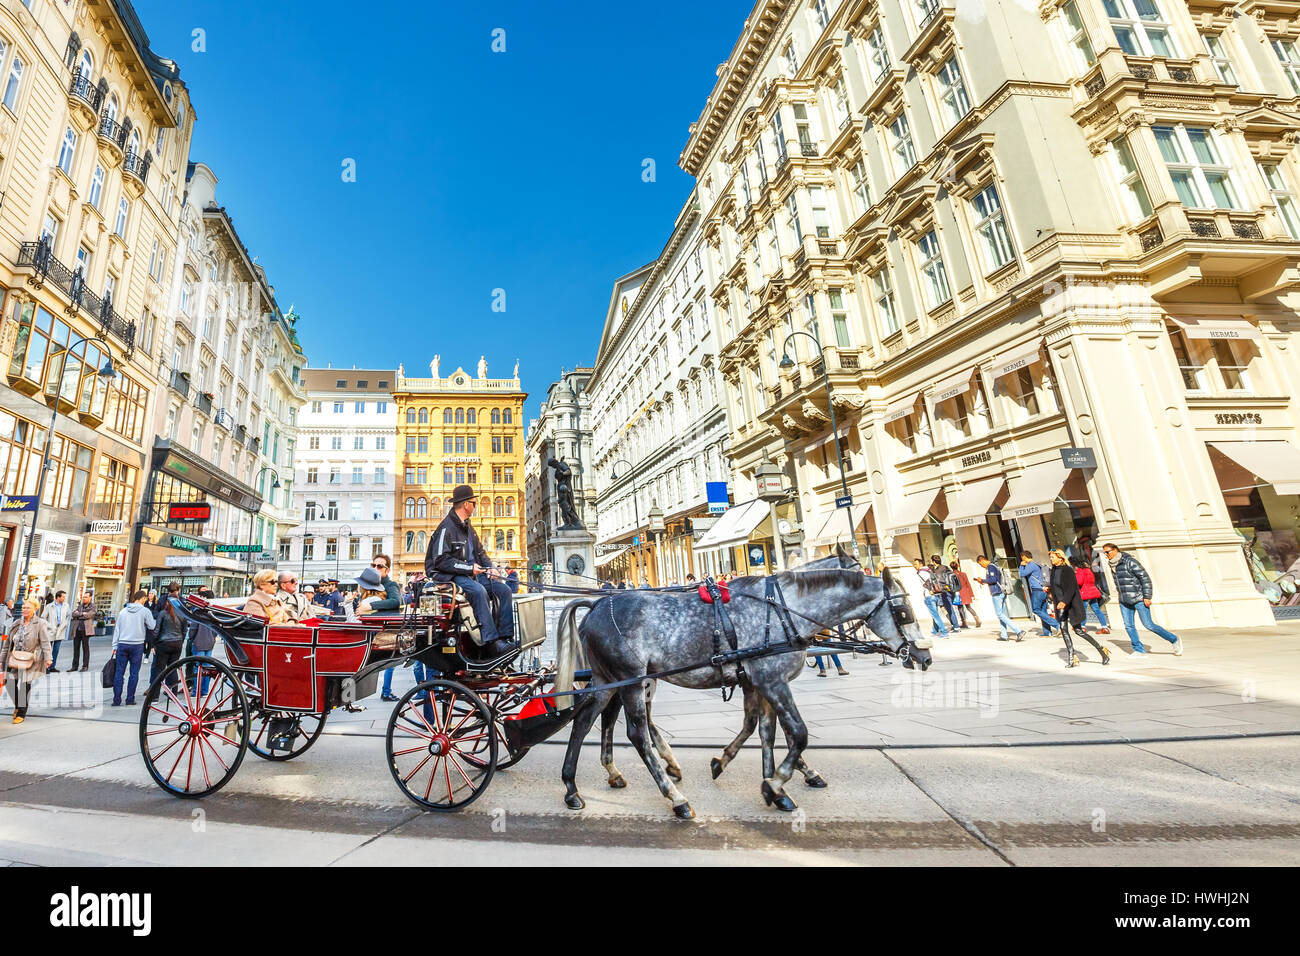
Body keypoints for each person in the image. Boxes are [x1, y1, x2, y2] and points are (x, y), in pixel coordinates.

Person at [425, 484, 515, 656]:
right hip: (450, 576)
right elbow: (440, 560)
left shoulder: (468, 528)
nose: (475, 506)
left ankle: (505, 638)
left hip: (469, 576)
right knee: (478, 591)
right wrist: (469, 568)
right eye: (474, 502)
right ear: (466, 504)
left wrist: (490, 568)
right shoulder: (446, 528)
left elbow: (480, 553)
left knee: (503, 590)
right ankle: (491, 643)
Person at [1104, 543, 1182, 656]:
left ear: (1116, 550)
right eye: (1105, 553)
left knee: (1148, 624)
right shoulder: (1112, 564)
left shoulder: (1129, 561)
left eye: (1108, 552)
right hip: (1124, 600)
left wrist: (1147, 596)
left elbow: (1145, 578)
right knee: (1129, 626)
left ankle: (1174, 639)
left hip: (1139, 598)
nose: (1106, 555)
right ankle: (1139, 650)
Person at [1048, 549, 1110, 667]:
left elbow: (1072, 588)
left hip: (1070, 605)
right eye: (1050, 557)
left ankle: (1102, 649)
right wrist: (1050, 591)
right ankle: (1072, 657)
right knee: (1064, 630)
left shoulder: (1067, 570)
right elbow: (1056, 586)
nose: (1051, 559)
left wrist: (1064, 601)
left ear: (1060, 558)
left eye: (1053, 557)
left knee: (1079, 631)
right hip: (1060, 606)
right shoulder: (1054, 570)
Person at [1, 599, 53, 723]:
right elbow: (7, 644)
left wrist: (48, 658)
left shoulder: (40, 623)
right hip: (13, 658)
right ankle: (18, 705)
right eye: (23, 607)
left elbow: (45, 642)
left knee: (25, 685)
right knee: (9, 683)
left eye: (27, 608)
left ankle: (21, 713)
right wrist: (1, 660)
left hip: (30, 660)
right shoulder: (16, 623)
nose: (24, 610)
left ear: (34, 609)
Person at [112, 590, 155, 707]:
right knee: (134, 673)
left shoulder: (123, 611)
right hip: (137, 644)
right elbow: (152, 626)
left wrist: (114, 646)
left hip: (122, 643)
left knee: (119, 672)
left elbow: (117, 630)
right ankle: (130, 699)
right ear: (142, 599)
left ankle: (116, 699)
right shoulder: (145, 611)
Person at [148, 582, 187, 692]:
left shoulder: (163, 611)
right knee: (173, 668)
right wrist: (181, 640)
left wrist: (153, 644)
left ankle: (154, 693)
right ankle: (173, 692)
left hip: (163, 641)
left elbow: (156, 630)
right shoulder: (182, 610)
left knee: (159, 669)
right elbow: (185, 630)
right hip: (177, 641)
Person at [975, 555, 1024, 642]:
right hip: (1001, 592)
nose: (981, 566)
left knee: (1000, 614)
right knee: (1003, 615)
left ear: (982, 560)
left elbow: (993, 579)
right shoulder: (994, 566)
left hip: (997, 593)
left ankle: (1018, 631)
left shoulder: (990, 567)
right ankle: (1004, 635)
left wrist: (982, 580)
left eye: (980, 564)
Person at [1019, 551, 1060, 636]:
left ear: (1024, 557)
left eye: (1021, 557)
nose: (1021, 559)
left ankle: (1057, 624)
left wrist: (1021, 565)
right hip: (1043, 590)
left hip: (1037, 590)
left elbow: (1022, 574)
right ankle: (1047, 632)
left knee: (1036, 609)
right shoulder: (1036, 564)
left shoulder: (1031, 565)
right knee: (1043, 610)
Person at [913, 558, 950, 638]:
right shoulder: (929, 570)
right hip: (936, 594)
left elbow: (928, 581)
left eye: (916, 564)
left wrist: (930, 590)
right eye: (914, 564)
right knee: (934, 614)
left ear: (921, 564)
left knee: (935, 615)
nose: (914, 566)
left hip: (929, 595)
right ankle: (935, 631)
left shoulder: (922, 572)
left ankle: (944, 632)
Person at [1073, 555, 1110, 634]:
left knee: (1083, 610)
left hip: (1085, 593)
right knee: (1097, 610)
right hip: (1093, 592)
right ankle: (1104, 627)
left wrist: (1074, 577)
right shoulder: (1088, 570)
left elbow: (1079, 581)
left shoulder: (1080, 571)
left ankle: (1082, 627)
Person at [40, 590, 69, 672]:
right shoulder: (49, 606)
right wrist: (50, 626)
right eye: (63, 597)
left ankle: (52, 667)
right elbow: (43, 618)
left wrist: (64, 624)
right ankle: (45, 667)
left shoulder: (66, 606)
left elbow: (67, 616)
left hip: (60, 631)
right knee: (47, 650)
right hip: (50, 631)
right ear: (58, 597)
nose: (64, 598)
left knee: (56, 650)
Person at [929, 555, 960, 629]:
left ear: (933, 561)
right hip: (951, 589)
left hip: (944, 591)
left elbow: (938, 582)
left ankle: (956, 626)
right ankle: (954, 625)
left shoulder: (936, 571)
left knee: (949, 609)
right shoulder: (946, 567)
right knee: (949, 608)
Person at [950, 561, 982, 628]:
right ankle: (977, 619)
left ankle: (964, 622)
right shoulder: (963, 574)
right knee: (969, 607)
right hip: (965, 592)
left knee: (960, 608)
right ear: (958, 566)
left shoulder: (952, 575)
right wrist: (971, 594)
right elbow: (968, 584)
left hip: (958, 592)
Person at [69, 592, 96, 671]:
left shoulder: (93, 606)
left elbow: (90, 615)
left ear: (90, 598)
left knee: (85, 648)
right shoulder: (80, 606)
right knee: (76, 648)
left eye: (86, 597)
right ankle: (74, 666)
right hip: (77, 629)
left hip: (85, 630)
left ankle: (85, 666)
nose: (84, 598)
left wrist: (79, 614)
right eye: (83, 597)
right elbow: (73, 614)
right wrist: (83, 614)